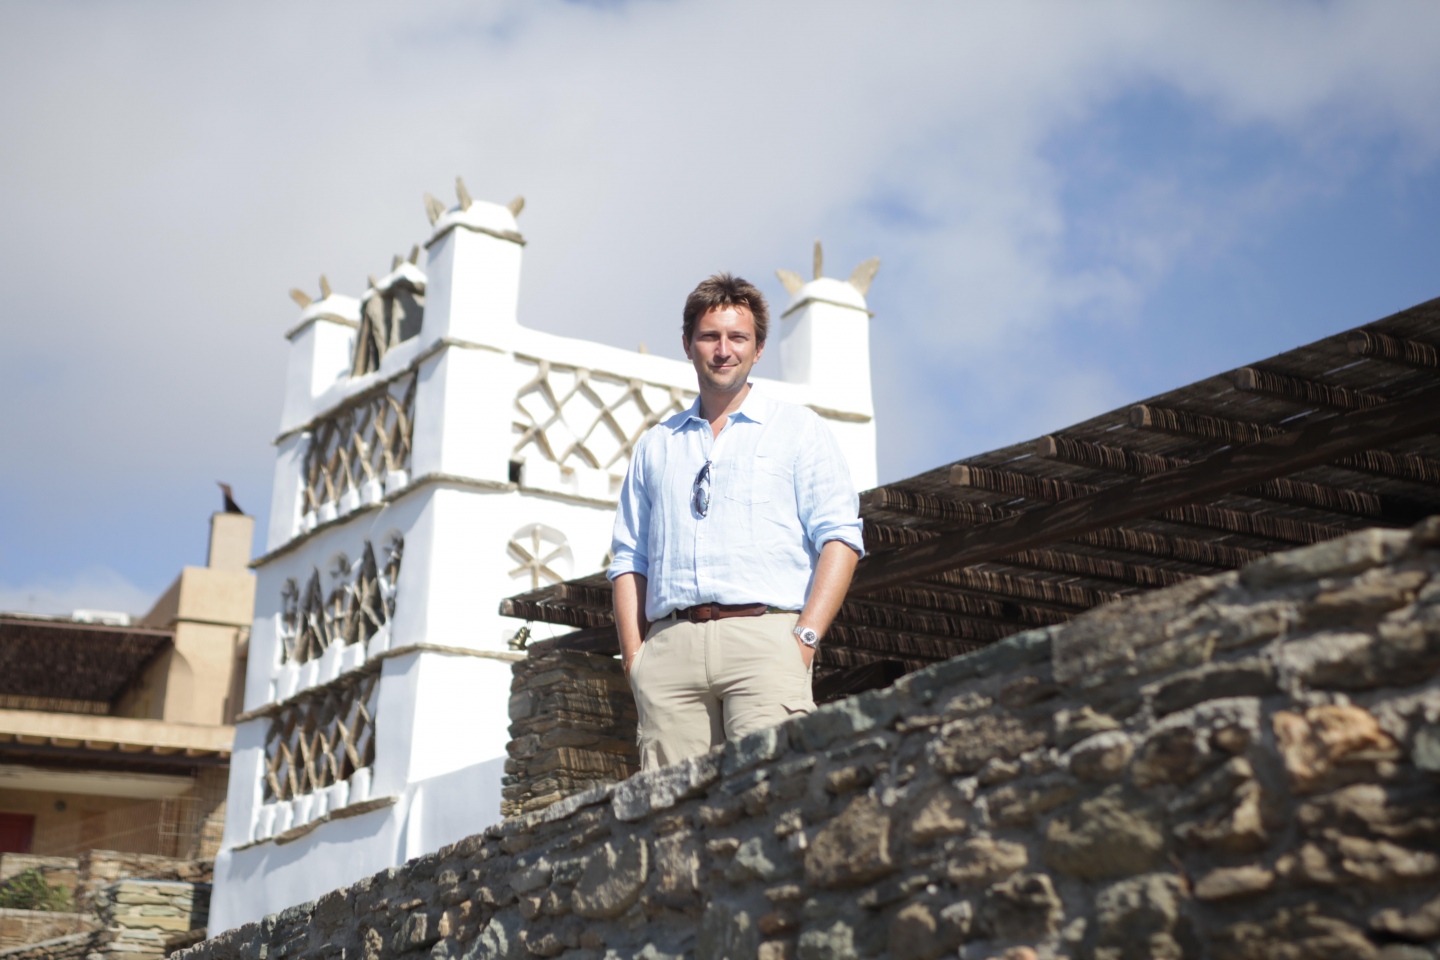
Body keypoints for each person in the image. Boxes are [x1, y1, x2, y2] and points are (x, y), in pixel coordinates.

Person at [607, 273, 864, 769]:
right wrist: (636, 659)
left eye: (737, 337)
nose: (723, 350)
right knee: (670, 822)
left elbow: (840, 537)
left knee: (774, 797)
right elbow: (628, 559)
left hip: (766, 640)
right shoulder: (656, 444)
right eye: (709, 336)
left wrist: (804, 639)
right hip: (670, 650)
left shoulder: (799, 429)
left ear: (758, 347)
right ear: (687, 344)